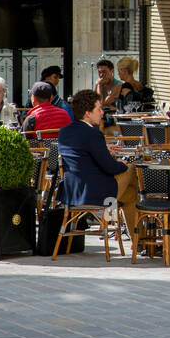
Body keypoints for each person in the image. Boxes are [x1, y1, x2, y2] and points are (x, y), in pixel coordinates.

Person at [57, 89, 139, 234]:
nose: (102, 112)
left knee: (131, 195)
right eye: (99, 109)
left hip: (72, 191)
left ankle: (138, 242)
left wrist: (104, 149)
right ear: (88, 113)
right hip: (94, 194)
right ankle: (119, 220)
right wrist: (122, 163)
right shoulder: (93, 134)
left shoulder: (64, 132)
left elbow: (82, 153)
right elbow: (110, 167)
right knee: (131, 167)